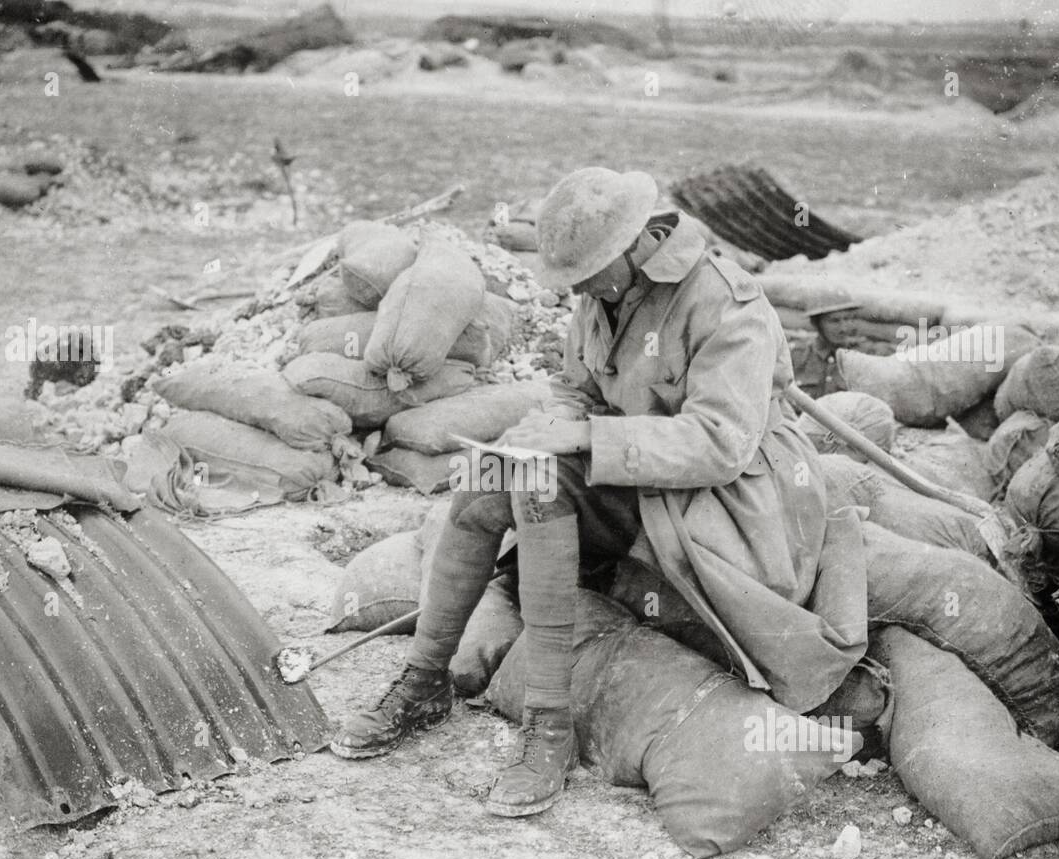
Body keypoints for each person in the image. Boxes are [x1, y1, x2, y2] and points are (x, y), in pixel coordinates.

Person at [330, 167, 867, 818]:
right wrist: (543, 425)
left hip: (729, 502)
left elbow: (722, 442)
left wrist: (582, 435)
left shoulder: (726, 301)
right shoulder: (604, 293)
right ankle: (423, 683)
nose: (577, 291)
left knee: (538, 494)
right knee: (487, 483)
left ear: (633, 246)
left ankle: (549, 729)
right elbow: (578, 385)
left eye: (586, 275)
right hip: (639, 481)